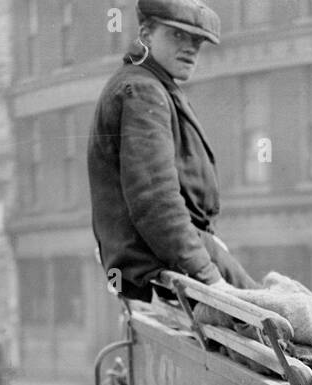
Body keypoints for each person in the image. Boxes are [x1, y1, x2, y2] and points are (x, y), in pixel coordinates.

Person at [87, 0, 256, 303]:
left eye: (197, 41)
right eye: (177, 36)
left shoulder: (151, 85)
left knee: (285, 306)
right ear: (146, 34)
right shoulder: (142, 90)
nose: (191, 48)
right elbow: (156, 201)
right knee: (286, 320)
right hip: (163, 264)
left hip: (176, 256)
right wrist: (209, 277)